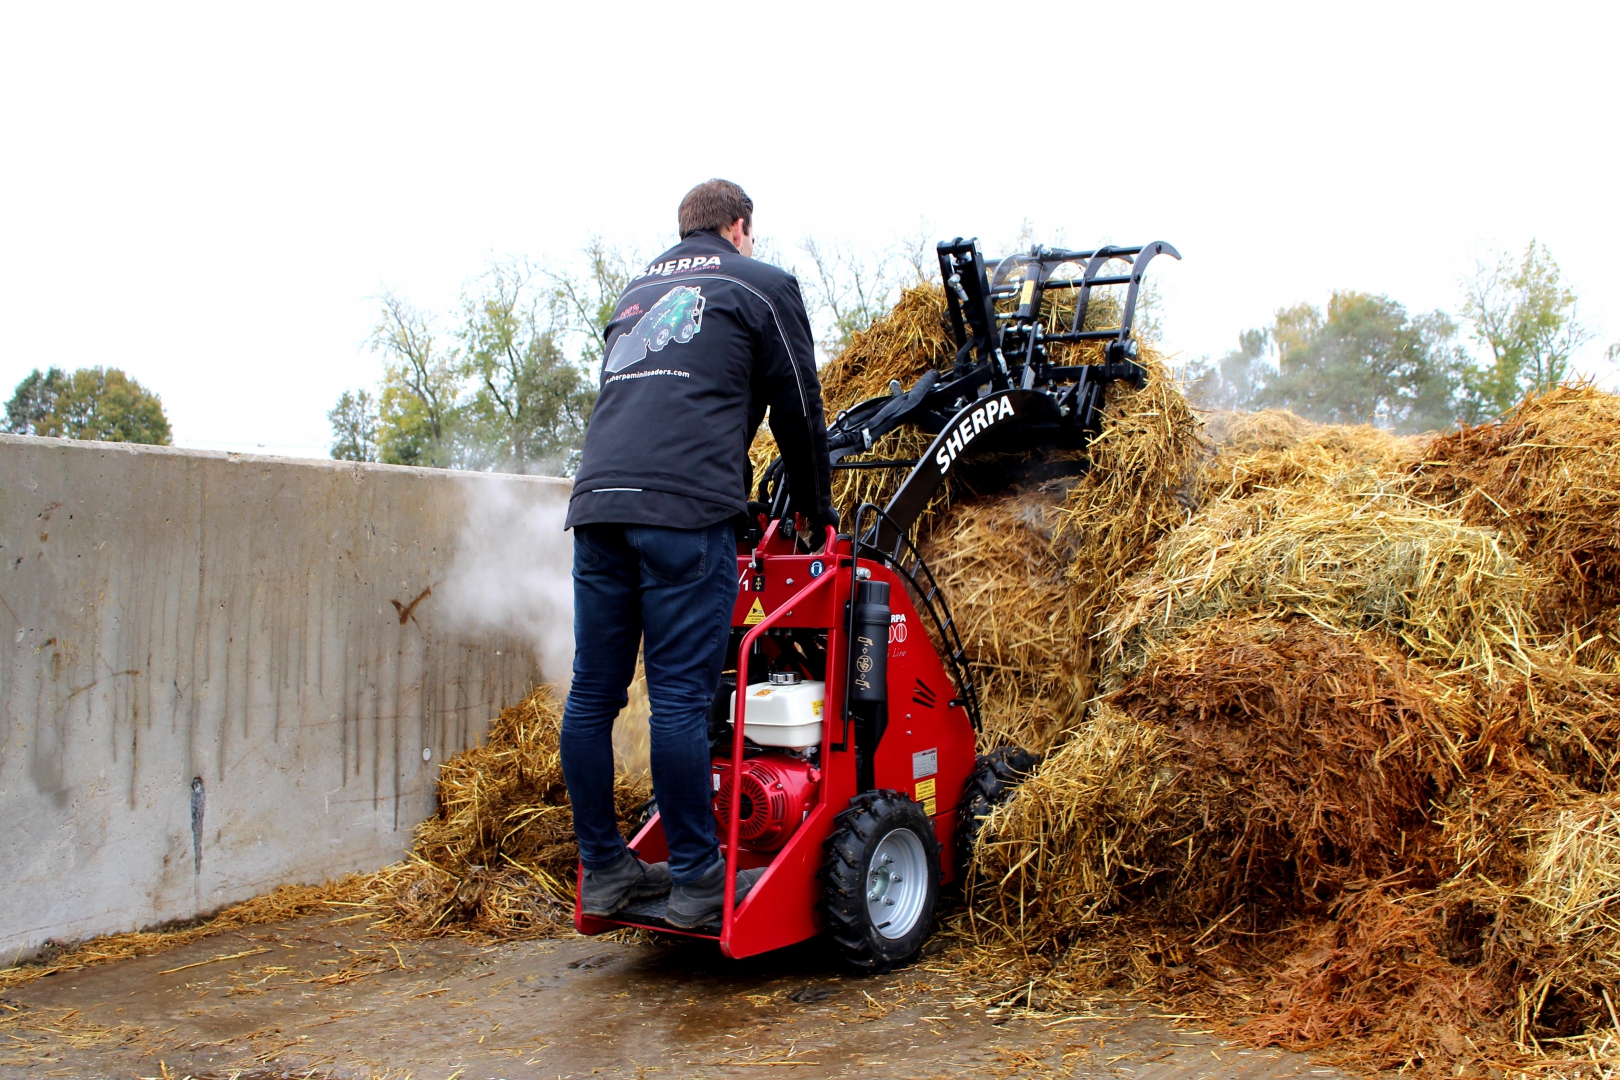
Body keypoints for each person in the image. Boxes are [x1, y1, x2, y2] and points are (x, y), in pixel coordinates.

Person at [560, 179, 834, 929]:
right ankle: (696, 877)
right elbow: (800, 406)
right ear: (740, 227)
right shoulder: (761, 283)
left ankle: (607, 870)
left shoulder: (635, 293)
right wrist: (817, 510)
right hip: (685, 511)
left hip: (597, 508)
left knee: (593, 693)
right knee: (680, 696)